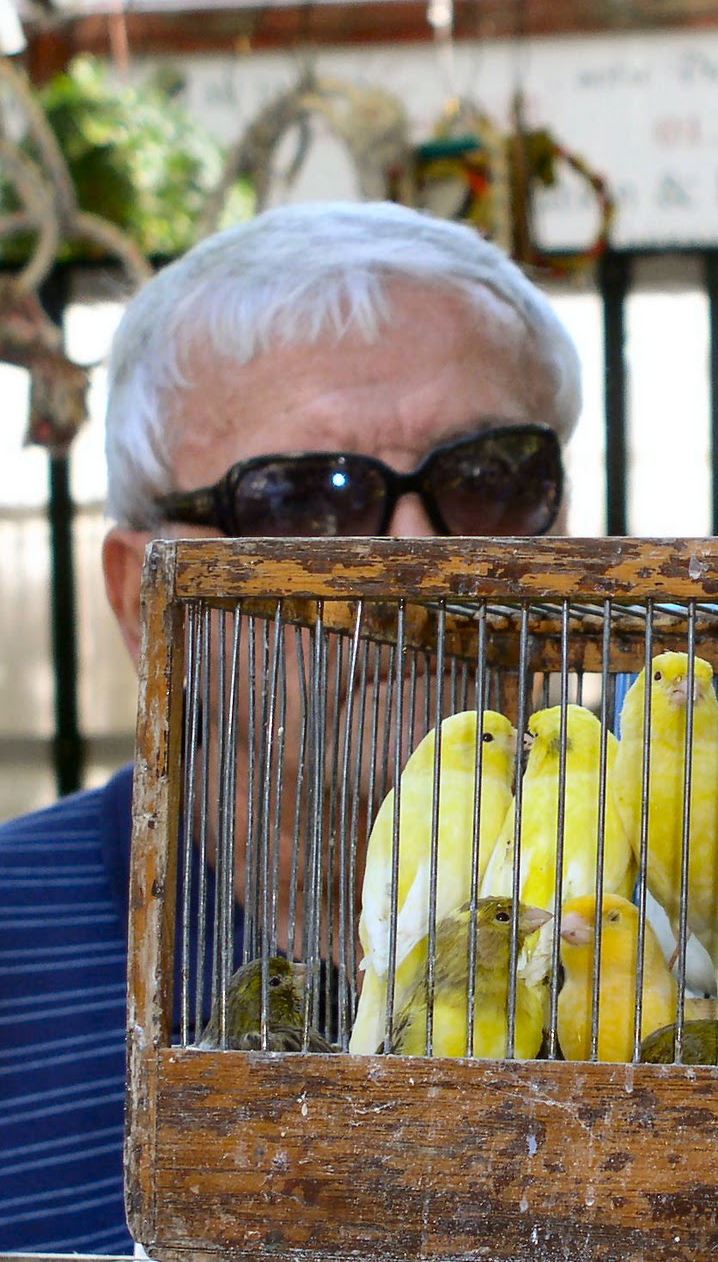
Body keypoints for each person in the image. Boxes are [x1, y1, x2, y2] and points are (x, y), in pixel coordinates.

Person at [0, 201, 583, 1254]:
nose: (421, 567)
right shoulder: (16, 951)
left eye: (489, 480)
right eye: (306, 502)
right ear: (142, 601)